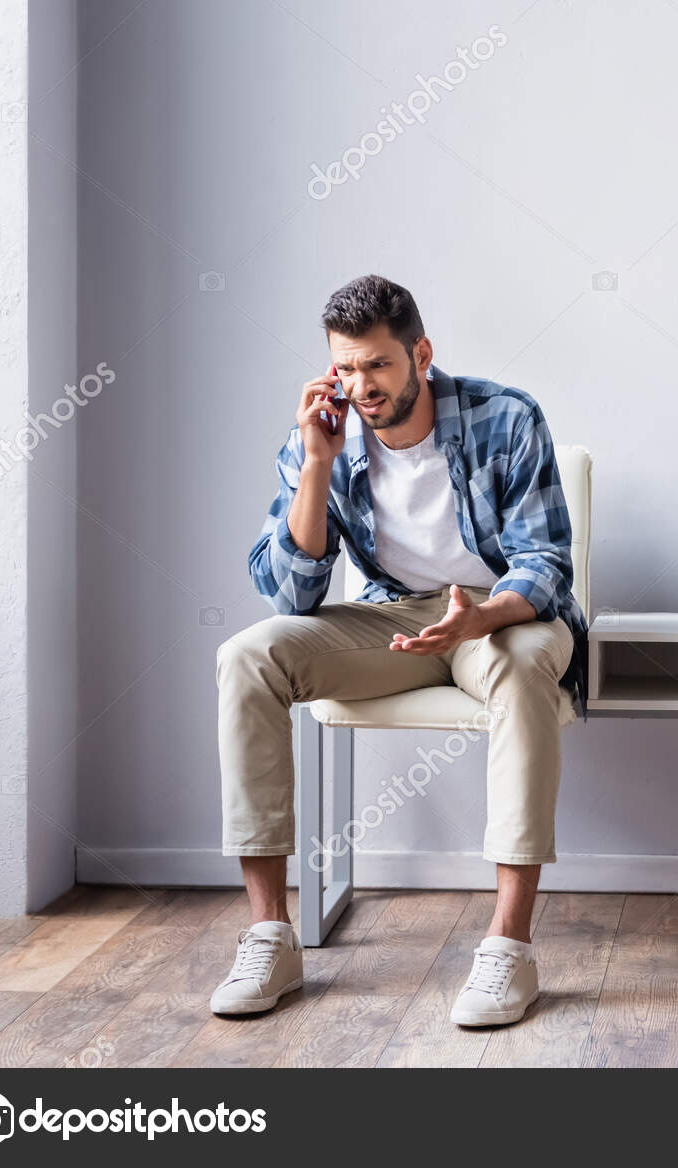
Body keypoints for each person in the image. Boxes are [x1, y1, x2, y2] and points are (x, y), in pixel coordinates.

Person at [210, 274, 586, 1026]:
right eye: (345, 368)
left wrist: (476, 622)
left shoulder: (504, 415)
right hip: (397, 619)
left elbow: (545, 563)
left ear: (421, 353)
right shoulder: (323, 434)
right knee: (250, 655)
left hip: (499, 616)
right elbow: (290, 597)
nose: (361, 386)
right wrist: (317, 463)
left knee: (516, 670)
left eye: (377, 365)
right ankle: (269, 936)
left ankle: (508, 949)